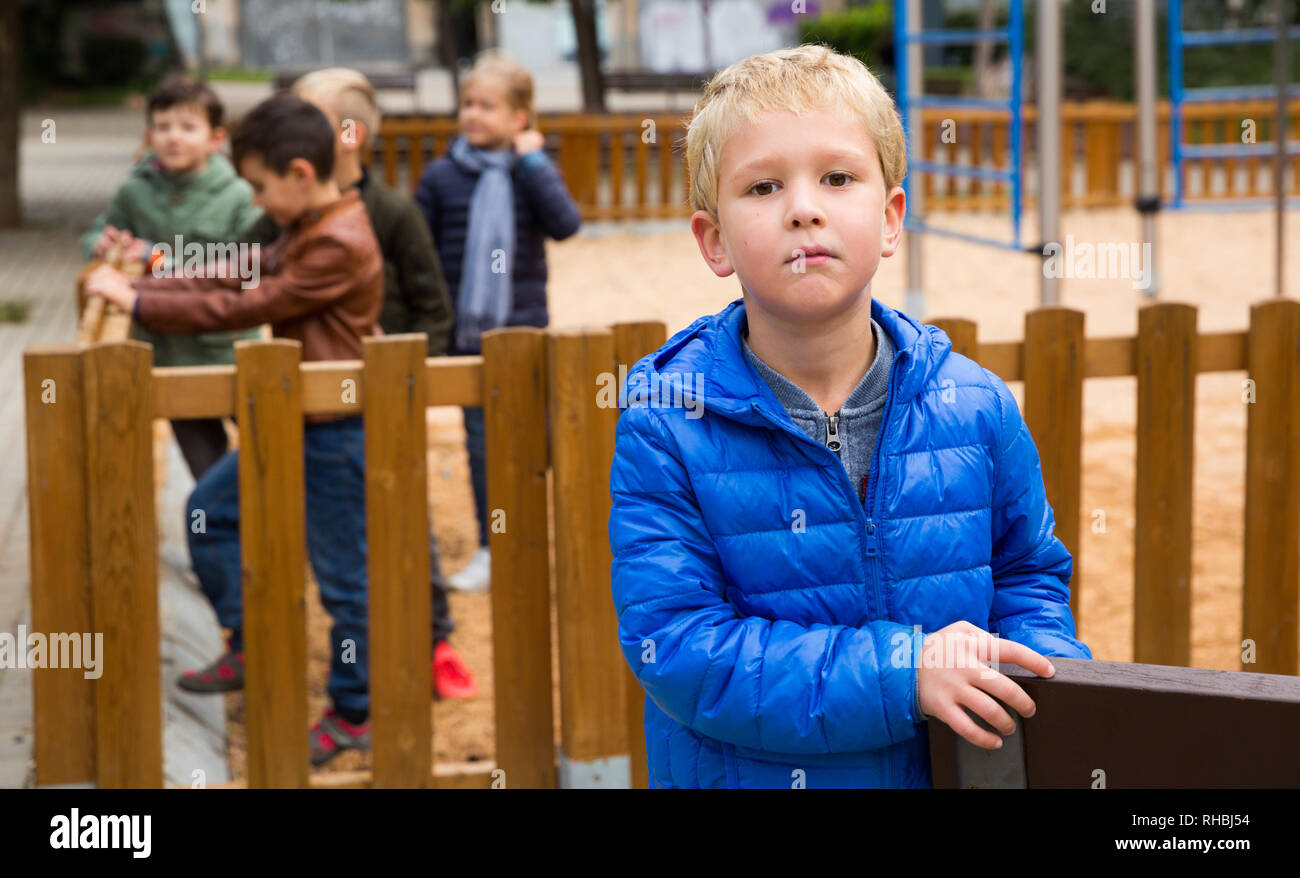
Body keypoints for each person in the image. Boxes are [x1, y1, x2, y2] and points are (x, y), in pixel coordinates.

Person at [608, 44, 1092, 789]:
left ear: (891, 217)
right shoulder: (667, 422)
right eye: (764, 186)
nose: (805, 207)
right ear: (715, 241)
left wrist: (1033, 678)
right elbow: (677, 646)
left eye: (837, 178)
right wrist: (904, 674)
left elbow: (1028, 573)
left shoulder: (978, 404)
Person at [85, 94, 385, 767]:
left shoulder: (339, 239)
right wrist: (154, 280)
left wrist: (137, 301)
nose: (255, 198)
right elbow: (237, 273)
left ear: (301, 175)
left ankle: (355, 711)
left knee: (344, 581)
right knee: (208, 515)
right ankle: (249, 640)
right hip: (294, 423)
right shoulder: (308, 224)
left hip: (333, 433)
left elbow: (248, 303)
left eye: (258, 185)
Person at [241, 68, 477, 700]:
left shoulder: (391, 211)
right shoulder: (292, 216)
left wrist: (399, 375)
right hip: (320, 402)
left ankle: (434, 641)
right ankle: (361, 649)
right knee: (345, 533)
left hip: (385, 394)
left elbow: (433, 309)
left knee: (406, 520)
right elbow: (239, 266)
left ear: (349, 137)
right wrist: (161, 260)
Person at [414, 50, 582, 592]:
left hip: (522, 328)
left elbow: (565, 225)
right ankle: (493, 546)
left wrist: (533, 163)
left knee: (533, 438)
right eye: (468, 103)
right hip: (469, 337)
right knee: (481, 443)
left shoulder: (528, 172)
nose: (473, 115)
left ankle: (537, 538)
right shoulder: (442, 176)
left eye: (488, 106)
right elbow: (420, 254)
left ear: (520, 119)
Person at [81, 74, 262, 481]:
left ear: (216, 139)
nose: (173, 137)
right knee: (206, 470)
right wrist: (101, 242)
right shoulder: (135, 192)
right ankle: (223, 537)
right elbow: (97, 230)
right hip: (169, 354)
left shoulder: (238, 195)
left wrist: (156, 257)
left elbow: (244, 266)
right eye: (163, 127)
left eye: (187, 127)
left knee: (264, 453)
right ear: (149, 136)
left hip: (228, 349)